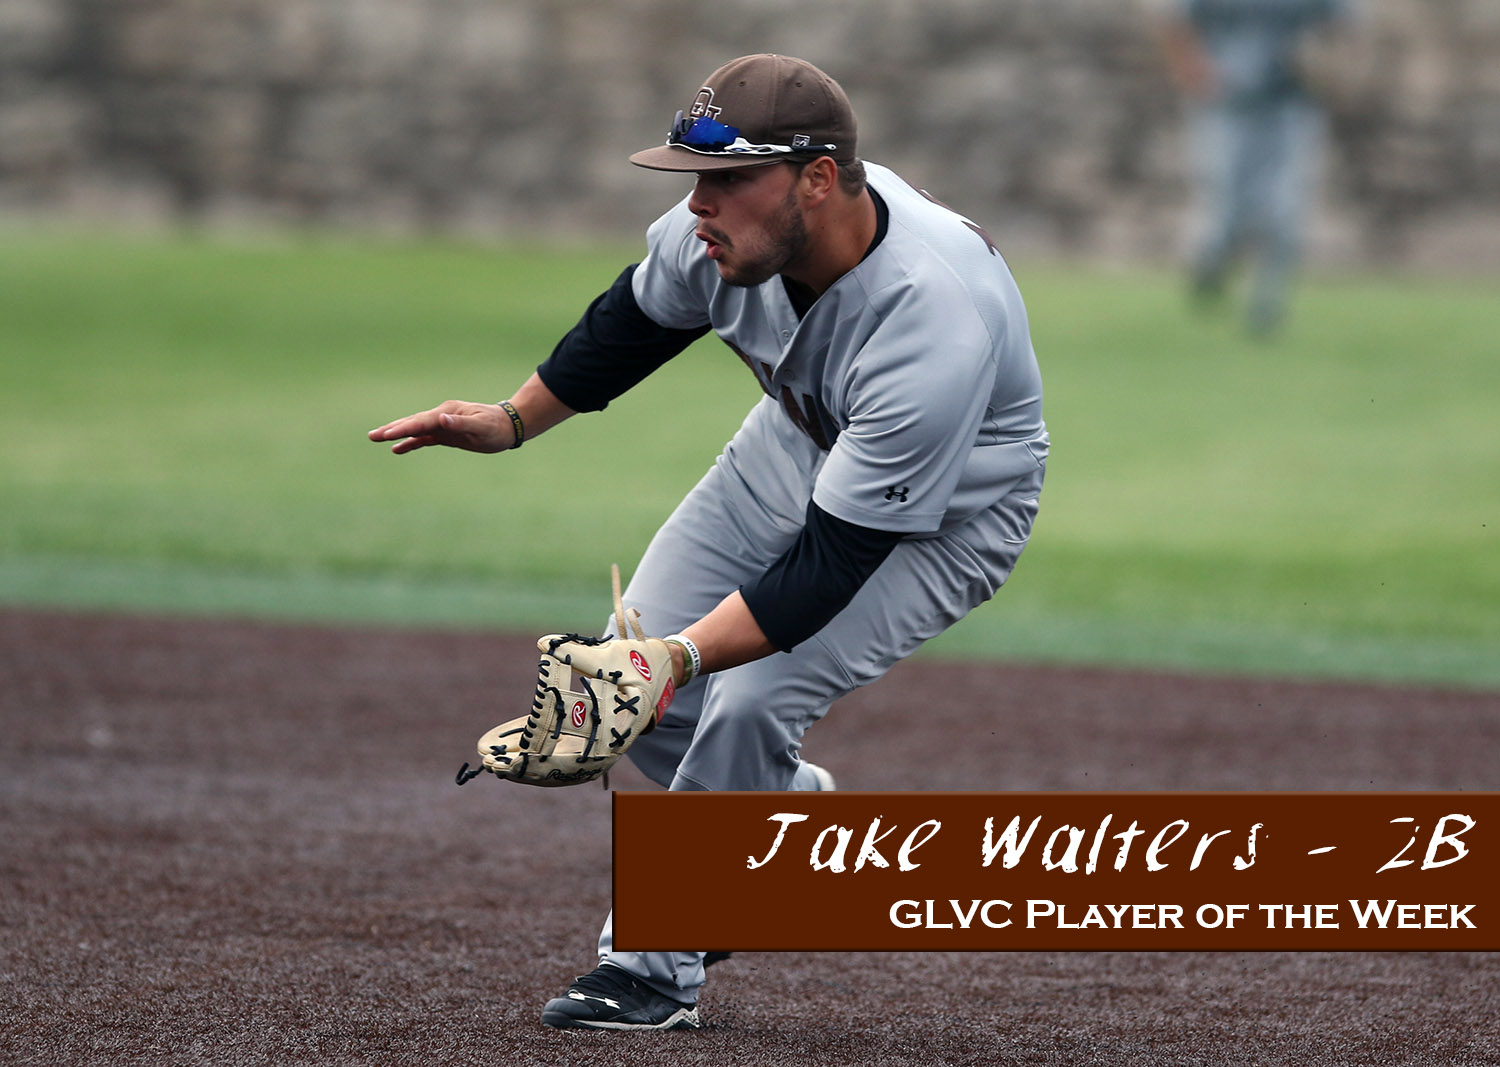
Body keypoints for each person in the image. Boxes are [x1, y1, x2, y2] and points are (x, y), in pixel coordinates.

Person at [368, 54, 1048, 1030]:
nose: (701, 205)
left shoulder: (933, 314)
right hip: (798, 441)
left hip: (945, 516)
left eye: (728, 180)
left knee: (750, 689)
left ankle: (650, 968)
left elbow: (828, 568)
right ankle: (779, 817)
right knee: (635, 670)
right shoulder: (721, 238)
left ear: (818, 178)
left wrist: (675, 657)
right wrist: (513, 419)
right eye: (694, 179)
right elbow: (634, 321)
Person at [1157, 0, 1351, 335]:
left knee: (1284, 208)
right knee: (1225, 212)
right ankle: (1210, 265)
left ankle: (1266, 303)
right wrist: (1194, 71)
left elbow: (1344, 26)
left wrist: (1330, 66)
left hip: (1289, 103)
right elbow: (1174, 22)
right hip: (1226, 105)